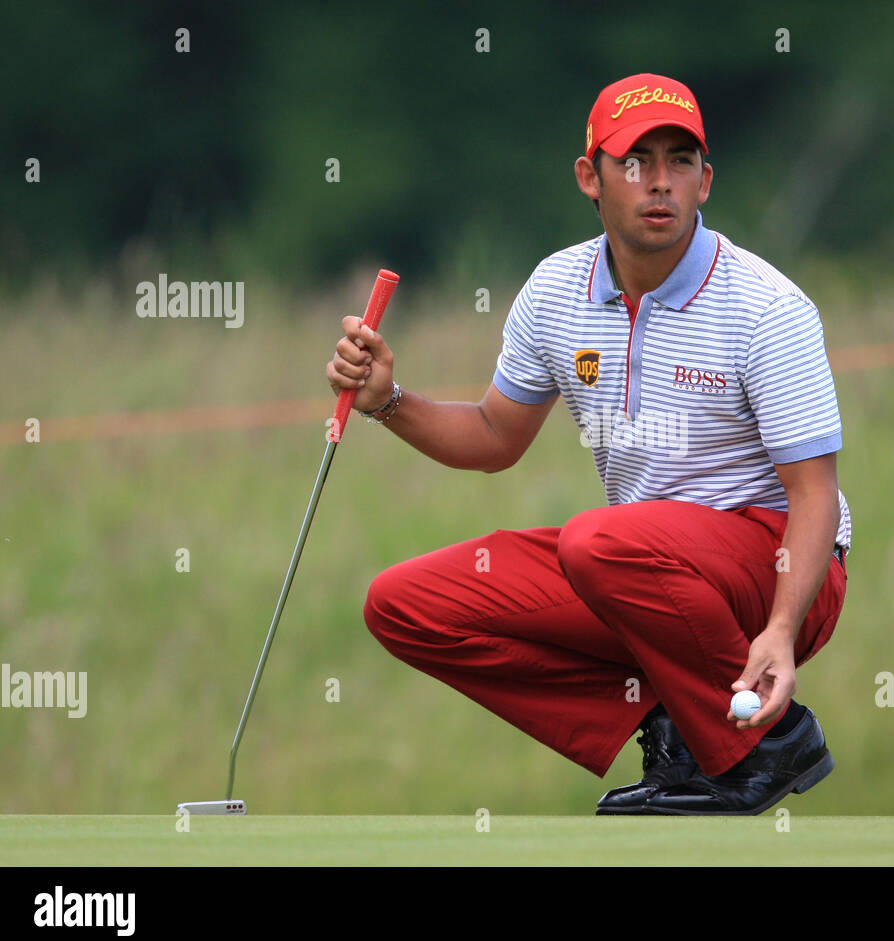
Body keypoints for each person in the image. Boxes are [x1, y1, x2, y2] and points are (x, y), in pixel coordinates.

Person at [326, 73, 851, 815]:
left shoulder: (765, 307)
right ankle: (679, 729)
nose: (659, 183)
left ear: (707, 180)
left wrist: (779, 630)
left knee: (598, 542)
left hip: (777, 570)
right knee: (408, 604)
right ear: (589, 177)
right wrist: (388, 402)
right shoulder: (556, 289)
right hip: (639, 576)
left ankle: (769, 742)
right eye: (635, 163)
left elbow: (813, 494)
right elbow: (492, 435)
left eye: (679, 160)